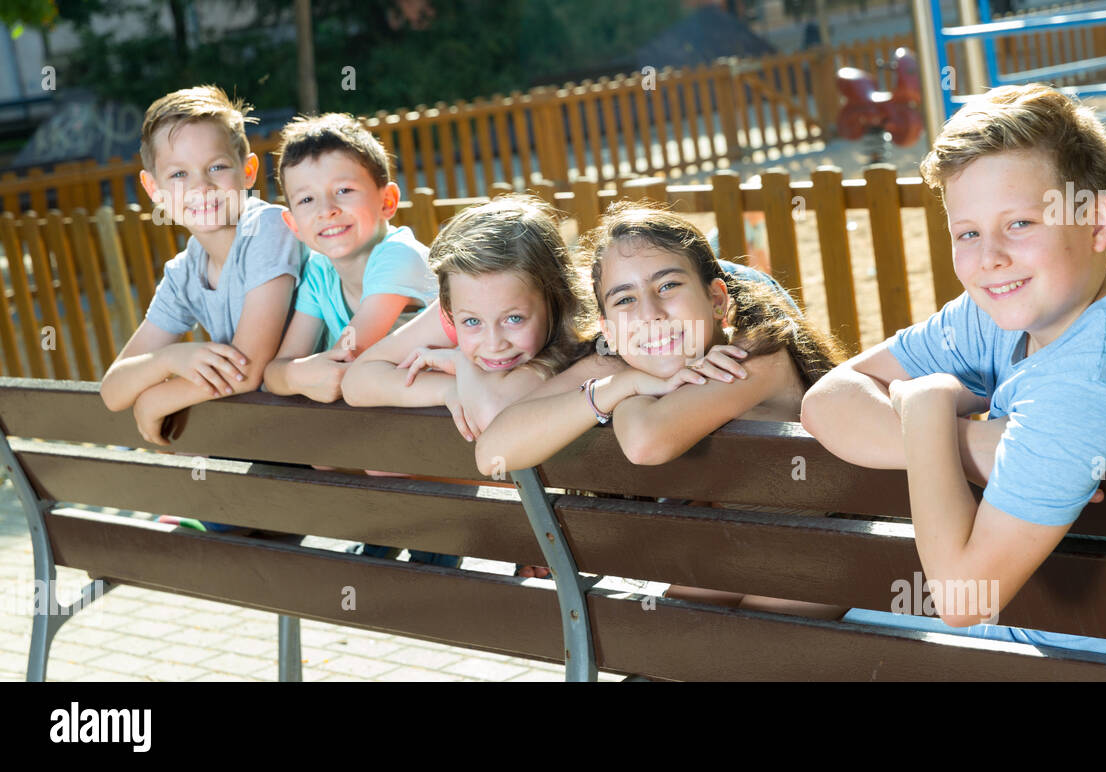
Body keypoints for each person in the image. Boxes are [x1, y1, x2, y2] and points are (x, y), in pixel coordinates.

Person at [800, 83, 1106, 661]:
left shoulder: (1089, 379)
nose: (990, 258)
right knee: (803, 604)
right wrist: (980, 441)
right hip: (1071, 629)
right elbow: (826, 401)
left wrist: (930, 406)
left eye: (1020, 224)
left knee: (812, 624)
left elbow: (962, 598)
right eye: (968, 233)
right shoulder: (1009, 312)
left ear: (1098, 223)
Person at [476, 202, 846, 608]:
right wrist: (623, 384)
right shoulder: (622, 364)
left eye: (668, 286)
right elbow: (493, 450)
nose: (650, 313)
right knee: (698, 600)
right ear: (608, 330)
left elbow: (643, 442)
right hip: (739, 559)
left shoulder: (756, 354)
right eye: (624, 300)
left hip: (817, 563)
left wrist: (629, 388)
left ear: (717, 299)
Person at [343, 194, 596, 574]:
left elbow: (491, 413)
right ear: (449, 308)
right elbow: (357, 381)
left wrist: (461, 361)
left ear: (554, 300)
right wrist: (448, 390)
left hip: (561, 542)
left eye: (514, 319)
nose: (494, 343)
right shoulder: (464, 307)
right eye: (471, 323)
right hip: (521, 532)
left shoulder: (567, 346)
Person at [99, 85, 304, 535]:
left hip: (322, 440)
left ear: (248, 171)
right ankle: (210, 524)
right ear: (153, 189)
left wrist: (156, 398)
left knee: (218, 476)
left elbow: (247, 371)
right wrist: (172, 359)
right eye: (178, 175)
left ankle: (206, 524)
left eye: (216, 167)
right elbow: (113, 390)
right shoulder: (183, 273)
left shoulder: (269, 229)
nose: (201, 187)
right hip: (275, 446)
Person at [262, 112, 437, 404]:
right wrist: (296, 375)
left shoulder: (399, 257)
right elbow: (275, 373)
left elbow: (347, 358)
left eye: (343, 190)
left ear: (388, 201)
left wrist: (300, 374)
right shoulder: (320, 272)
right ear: (294, 225)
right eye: (307, 199)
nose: (326, 209)